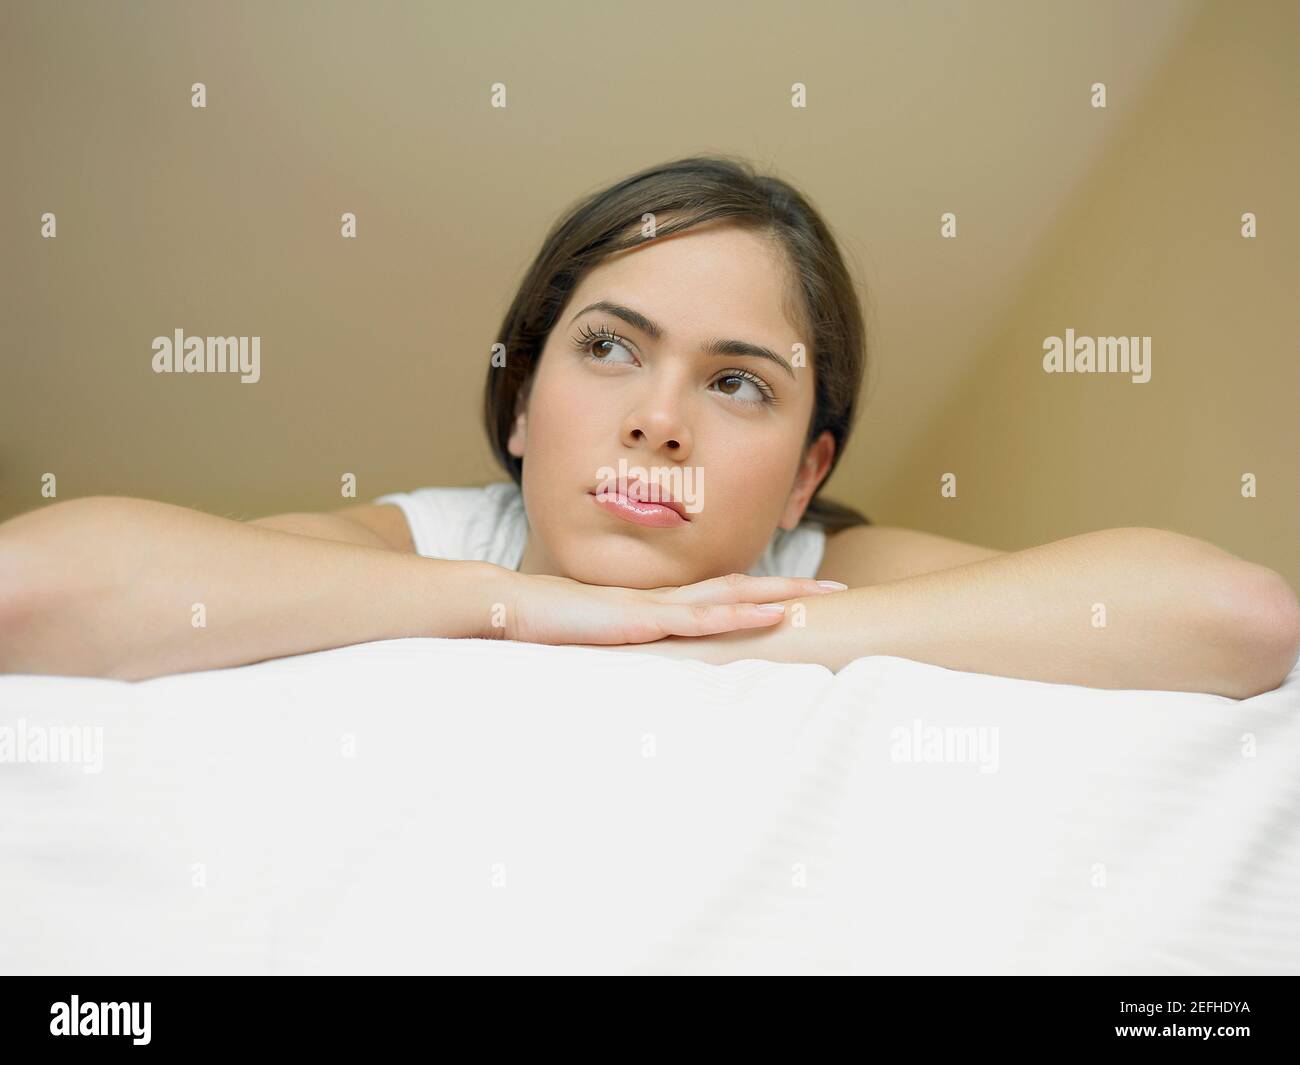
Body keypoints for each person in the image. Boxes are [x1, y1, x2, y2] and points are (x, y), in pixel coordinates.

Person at [1, 155, 1296, 697]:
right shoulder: (439, 537)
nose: (658, 422)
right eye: (611, 346)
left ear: (807, 477)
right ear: (522, 405)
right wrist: (519, 605)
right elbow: (31, 591)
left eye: (739, 382)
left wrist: (730, 632)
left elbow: (1241, 619)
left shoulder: (814, 565)